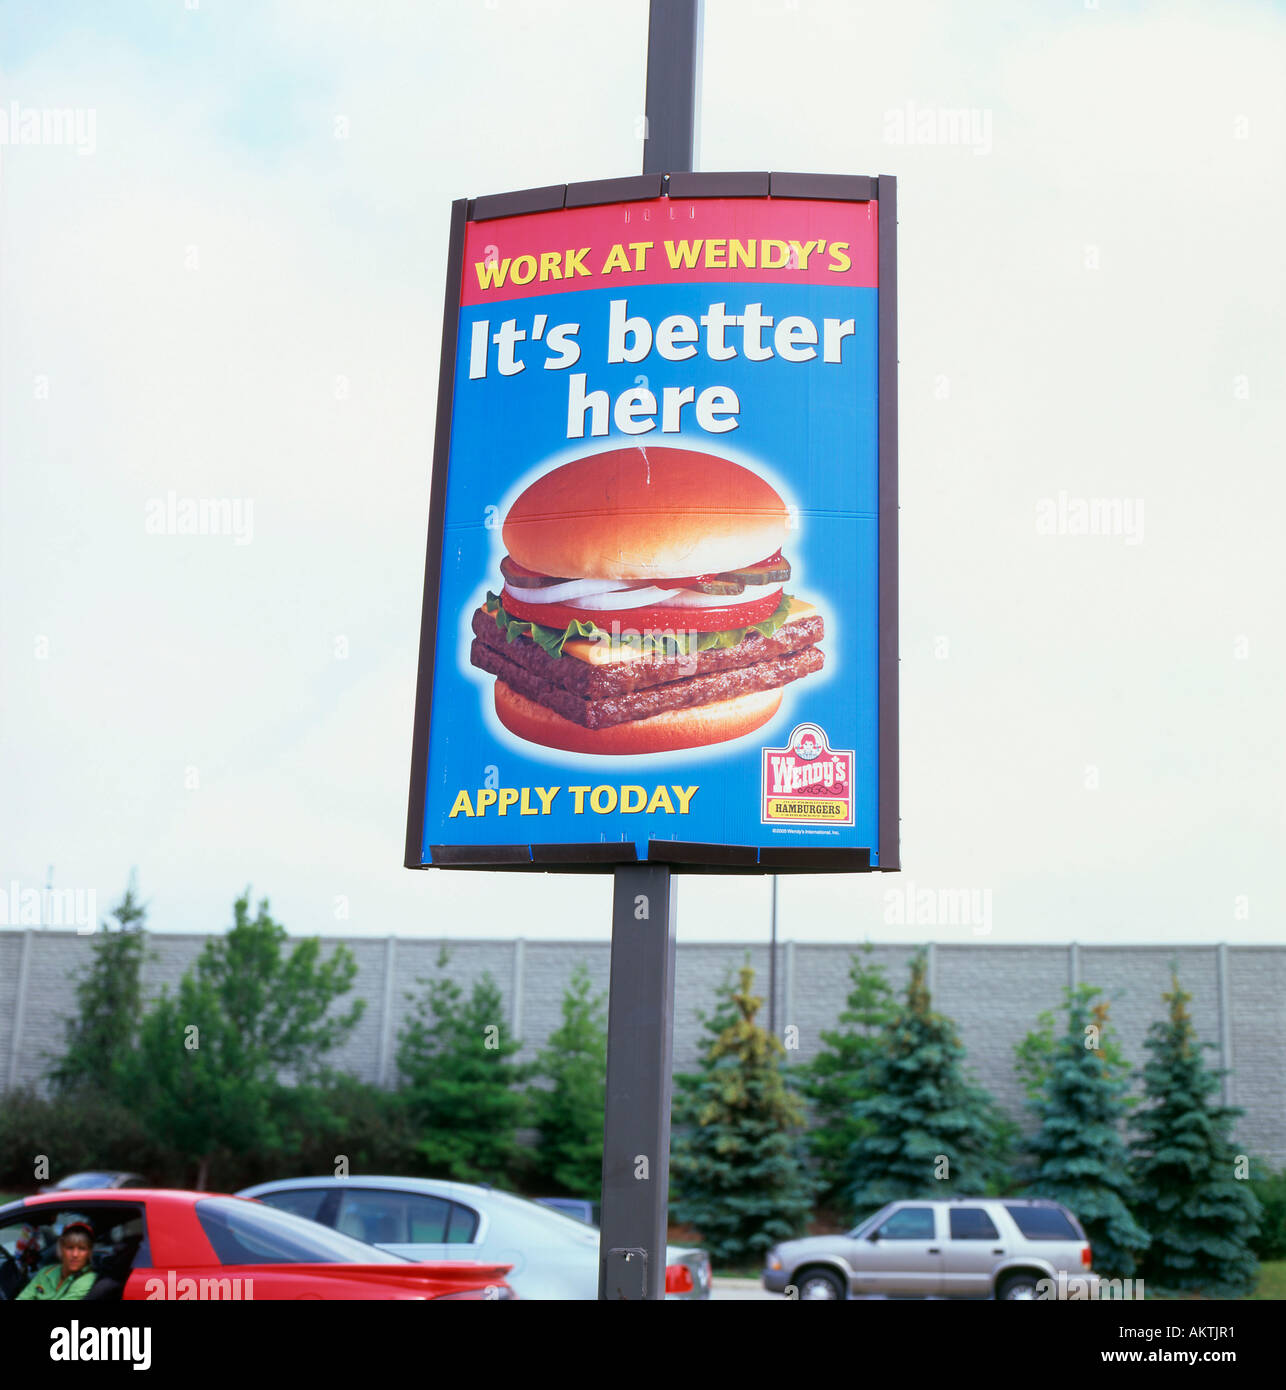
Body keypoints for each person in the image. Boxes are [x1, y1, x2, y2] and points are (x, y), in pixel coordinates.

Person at [15, 1222, 98, 1300]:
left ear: (89, 1253)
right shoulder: (47, 1271)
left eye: (82, 1249)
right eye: (70, 1248)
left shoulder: (88, 1279)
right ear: (61, 1249)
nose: (75, 1254)